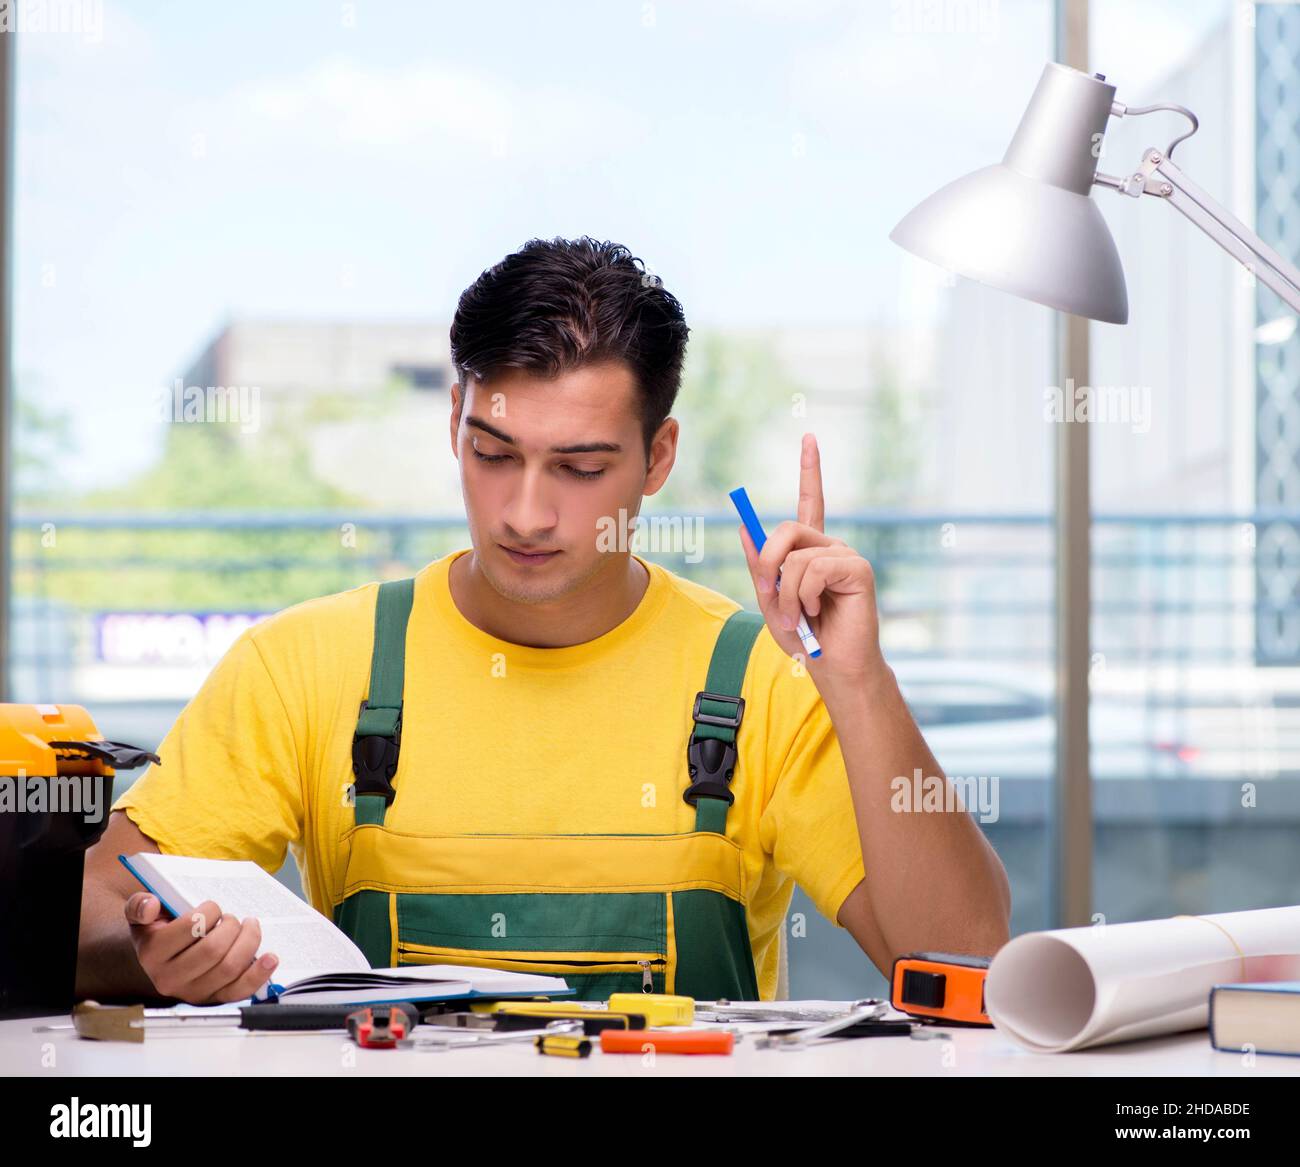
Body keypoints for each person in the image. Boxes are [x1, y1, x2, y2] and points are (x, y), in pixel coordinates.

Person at [78, 236, 1010, 1005]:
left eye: (578, 467)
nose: (525, 513)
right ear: (455, 420)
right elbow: (93, 909)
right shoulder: (310, 664)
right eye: (494, 452)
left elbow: (963, 963)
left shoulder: (761, 676)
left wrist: (857, 680)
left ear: (658, 457)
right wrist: (151, 953)